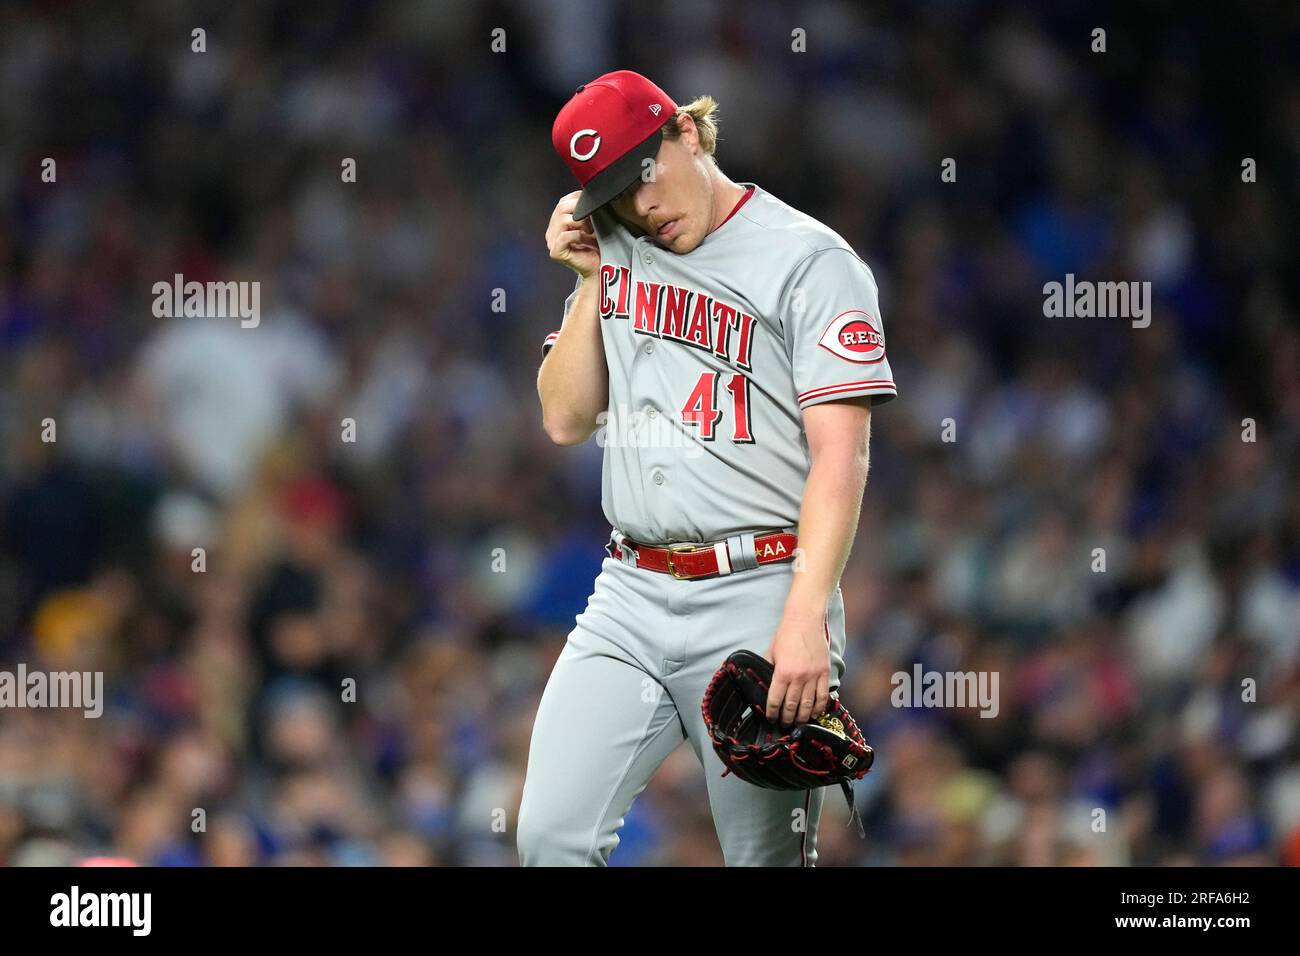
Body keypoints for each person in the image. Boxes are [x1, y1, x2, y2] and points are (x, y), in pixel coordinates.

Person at [519, 70, 896, 866]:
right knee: (550, 838)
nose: (639, 205)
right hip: (629, 589)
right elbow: (562, 418)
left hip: (759, 589)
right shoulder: (617, 248)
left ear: (686, 134)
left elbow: (842, 455)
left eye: (643, 175)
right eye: (613, 194)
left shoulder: (810, 260)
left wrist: (806, 615)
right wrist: (588, 284)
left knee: (763, 860)